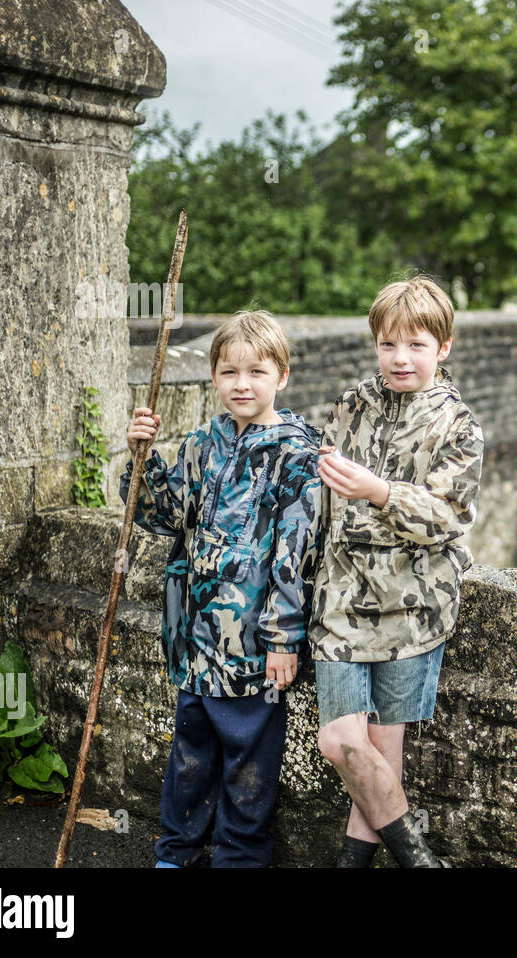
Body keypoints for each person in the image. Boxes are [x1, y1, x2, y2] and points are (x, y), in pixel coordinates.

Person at [121, 308, 321, 867]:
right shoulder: (202, 442)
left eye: (257, 372)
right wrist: (143, 460)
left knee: (248, 766)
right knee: (190, 756)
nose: (242, 384)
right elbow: (164, 516)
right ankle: (178, 851)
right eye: (230, 372)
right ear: (213, 377)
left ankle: (238, 858)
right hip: (196, 640)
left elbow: (295, 553)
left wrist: (284, 638)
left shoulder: (297, 453)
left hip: (254, 648)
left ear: (281, 377)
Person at [310, 275, 484, 868]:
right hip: (341, 604)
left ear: (444, 346)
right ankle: (419, 860)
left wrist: (381, 492)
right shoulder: (349, 407)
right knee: (341, 742)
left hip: (415, 609)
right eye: (388, 344)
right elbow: (322, 502)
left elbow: (450, 517)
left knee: (384, 753)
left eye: (416, 344)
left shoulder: (458, 426)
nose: (400, 358)